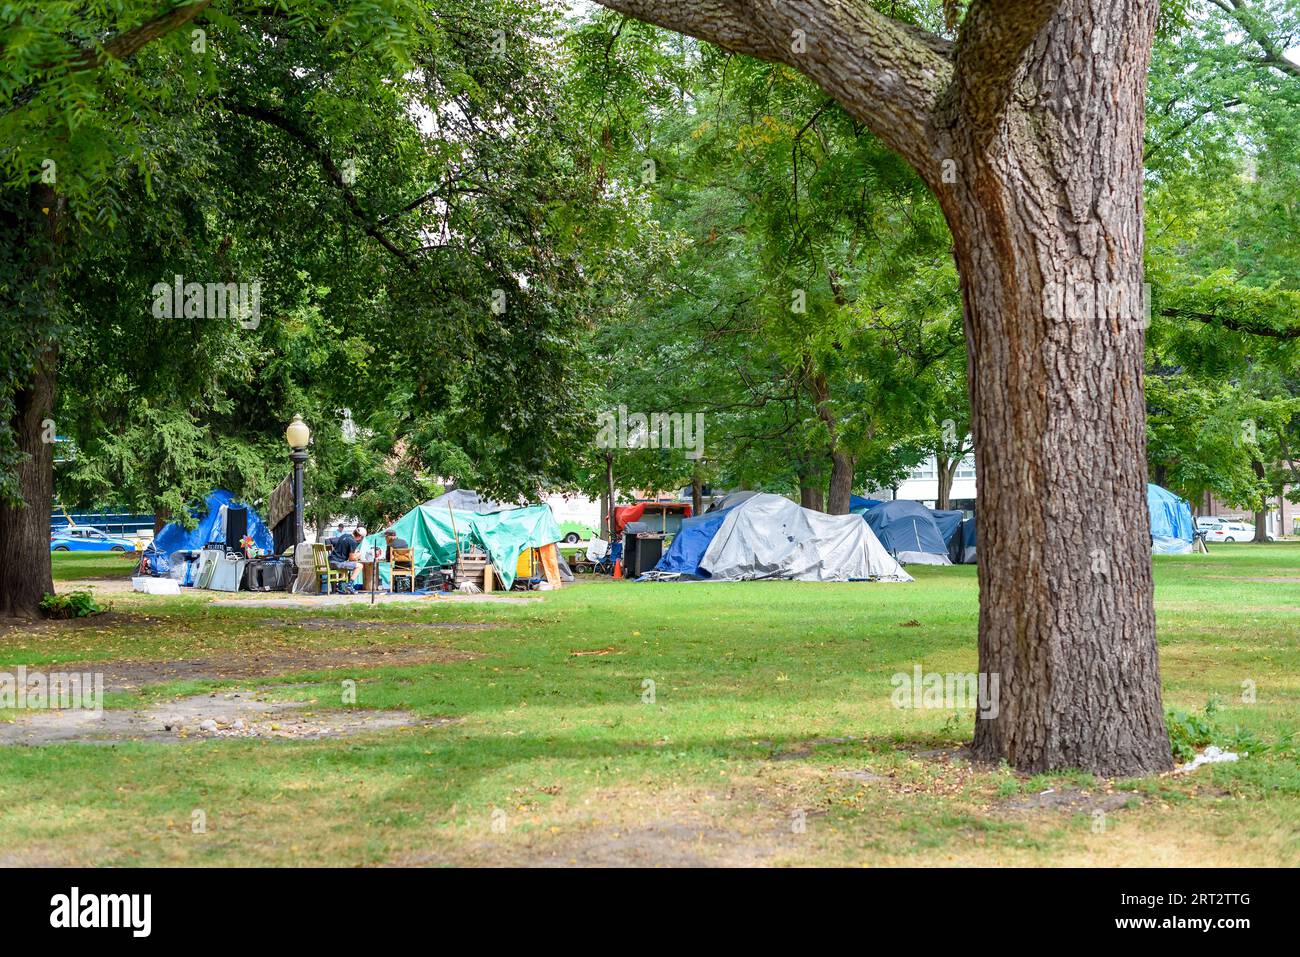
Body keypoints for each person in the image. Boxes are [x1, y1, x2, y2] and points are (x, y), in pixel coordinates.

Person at [330, 527, 363, 592]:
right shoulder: (353, 542)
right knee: (360, 566)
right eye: (361, 538)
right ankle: (349, 585)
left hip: (330, 561)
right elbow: (351, 558)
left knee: (345, 564)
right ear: (359, 536)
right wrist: (357, 556)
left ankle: (340, 588)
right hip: (338, 563)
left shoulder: (343, 535)